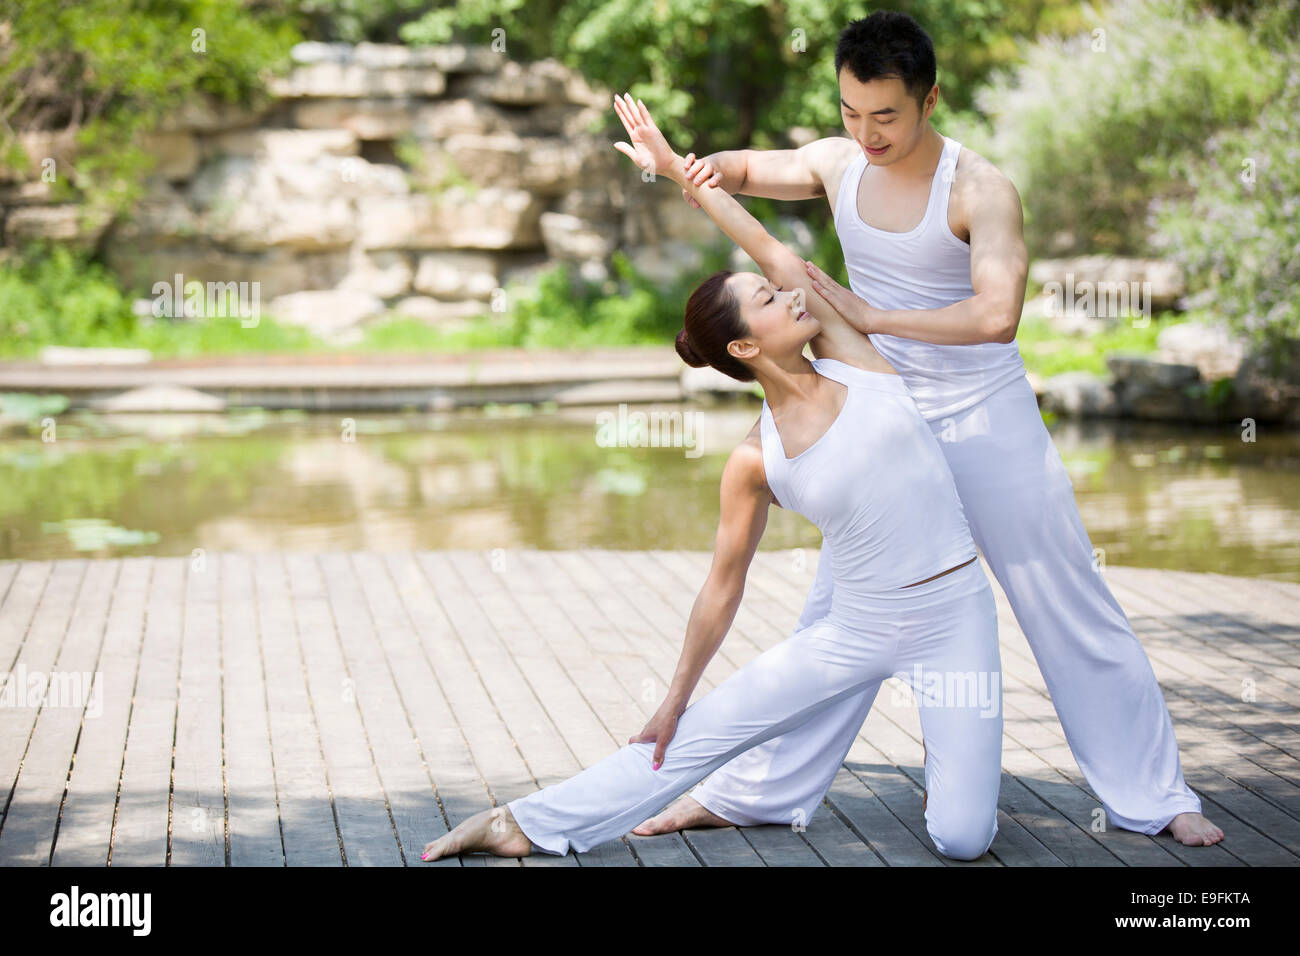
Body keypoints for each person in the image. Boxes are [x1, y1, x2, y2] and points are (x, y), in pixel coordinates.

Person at [637, 10, 1223, 847]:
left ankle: (1152, 794)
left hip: (986, 419)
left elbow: (996, 316)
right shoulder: (839, 162)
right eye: (850, 111)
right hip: (880, 422)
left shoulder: (979, 188)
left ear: (929, 98)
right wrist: (678, 167)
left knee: (1066, 600)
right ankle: (758, 791)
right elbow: (739, 171)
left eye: (886, 115)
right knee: (839, 616)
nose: (866, 133)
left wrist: (876, 313)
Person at [421, 92, 1005, 863]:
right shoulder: (756, 459)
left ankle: (951, 769)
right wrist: (674, 696)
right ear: (741, 349)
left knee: (964, 839)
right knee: (685, 738)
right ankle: (522, 823)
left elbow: (769, 245)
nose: (791, 293)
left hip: (956, 609)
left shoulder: (853, 358)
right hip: (854, 629)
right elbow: (721, 588)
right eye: (767, 301)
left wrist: (680, 175)